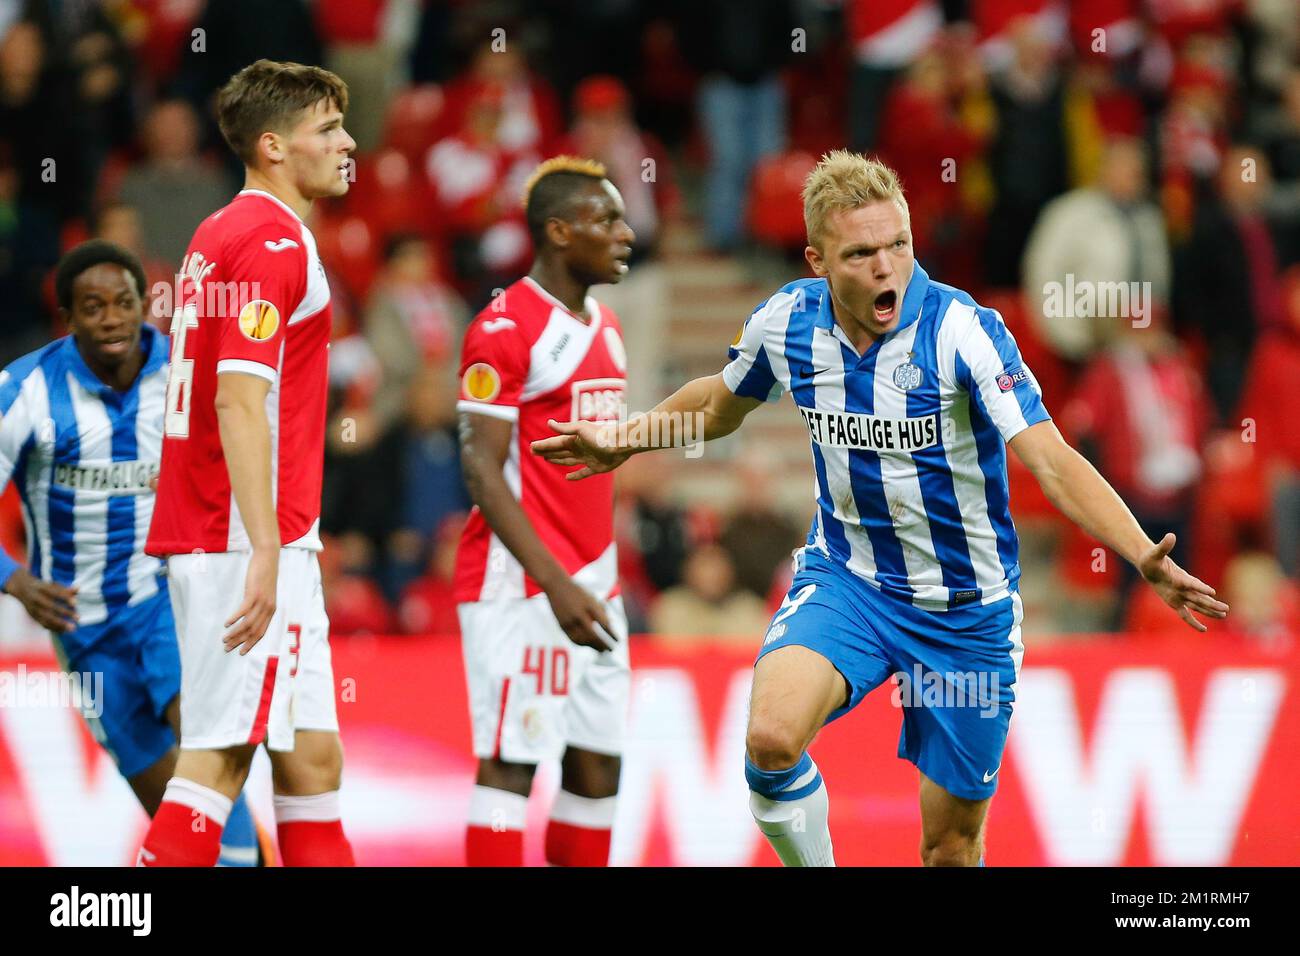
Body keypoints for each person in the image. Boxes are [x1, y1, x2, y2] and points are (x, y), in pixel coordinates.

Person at [533, 151, 1229, 867]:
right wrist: (626, 438)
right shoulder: (789, 323)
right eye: (860, 253)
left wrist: (1140, 550)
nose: (886, 266)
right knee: (770, 740)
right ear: (817, 260)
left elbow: (1049, 458)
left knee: (950, 846)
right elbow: (717, 404)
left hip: (966, 610)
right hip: (850, 583)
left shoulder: (964, 330)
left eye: (897, 244)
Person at [137, 59, 357, 867]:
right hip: (246, 536)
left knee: (311, 759)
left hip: (245, 531)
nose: (349, 144)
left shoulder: (218, 231)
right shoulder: (271, 242)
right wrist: (264, 548)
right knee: (218, 761)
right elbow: (237, 399)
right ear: (272, 146)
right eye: (327, 129)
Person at [0, 240, 261, 866]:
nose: (111, 318)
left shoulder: (186, 376)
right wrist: (15, 580)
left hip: (169, 599)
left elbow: (244, 461)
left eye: (123, 303)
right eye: (92, 307)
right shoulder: (24, 391)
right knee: (170, 804)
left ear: (147, 304)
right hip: (82, 628)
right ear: (67, 317)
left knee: (201, 739)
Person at [455, 155, 634, 867]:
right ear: (559, 232)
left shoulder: (609, 326)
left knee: (598, 769)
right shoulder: (505, 327)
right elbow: (481, 467)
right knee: (512, 763)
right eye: (606, 220)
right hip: (522, 586)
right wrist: (555, 582)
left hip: (596, 583)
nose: (625, 234)